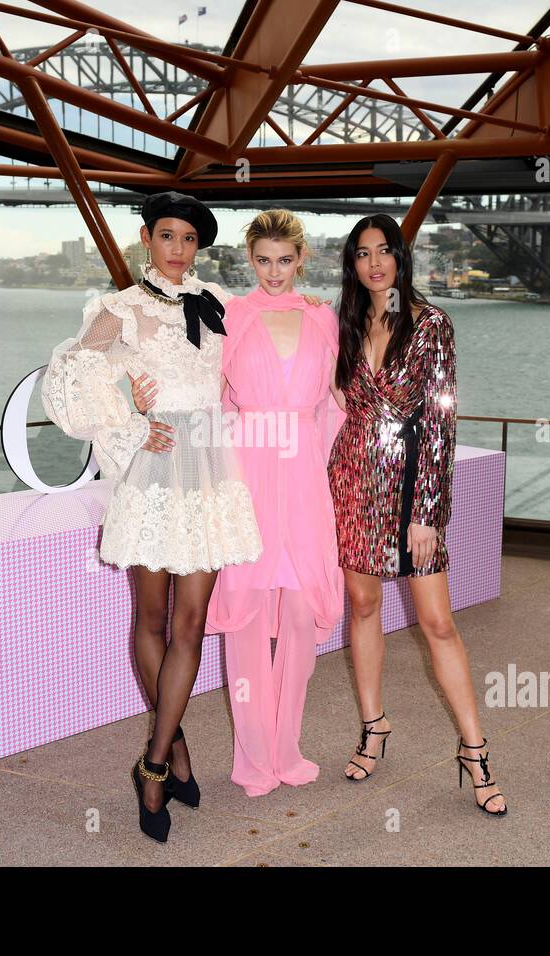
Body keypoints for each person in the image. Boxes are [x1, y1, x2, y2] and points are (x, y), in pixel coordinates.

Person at [39, 191, 263, 842]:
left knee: (190, 622)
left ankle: (155, 762)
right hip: (155, 468)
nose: (177, 249)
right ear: (146, 238)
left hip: (209, 471)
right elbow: (69, 378)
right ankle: (175, 746)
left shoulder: (216, 302)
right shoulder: (120, 307)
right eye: (167, 236)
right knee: (152, 618)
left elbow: (251, 363)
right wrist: (128, 419)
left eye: (189, 240)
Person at [326, 213, 509, 816]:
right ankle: (375, 725)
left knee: (437, 622)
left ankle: (474, 750)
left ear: (401, 258)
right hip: (354, 481)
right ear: (352, 265)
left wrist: (427, 512)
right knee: (362, 606)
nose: (374, 263)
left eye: (384, 251)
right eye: (362, 253)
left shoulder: (432, 325)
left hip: (410, 488)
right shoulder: (345, 325)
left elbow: (439, 422)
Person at [202, 209, 344, 797]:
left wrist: (323, 466)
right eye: (263, 260)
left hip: (307, 479)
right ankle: (254, 757)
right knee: (248, 619)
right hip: (250, 473)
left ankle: (289, 749)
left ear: (301, 258)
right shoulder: (232, 316)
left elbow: (331, 405)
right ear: (249, 259)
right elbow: (215, 401)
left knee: (298, 622)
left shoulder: (323, 317)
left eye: (285, 260)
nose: (274, 272)